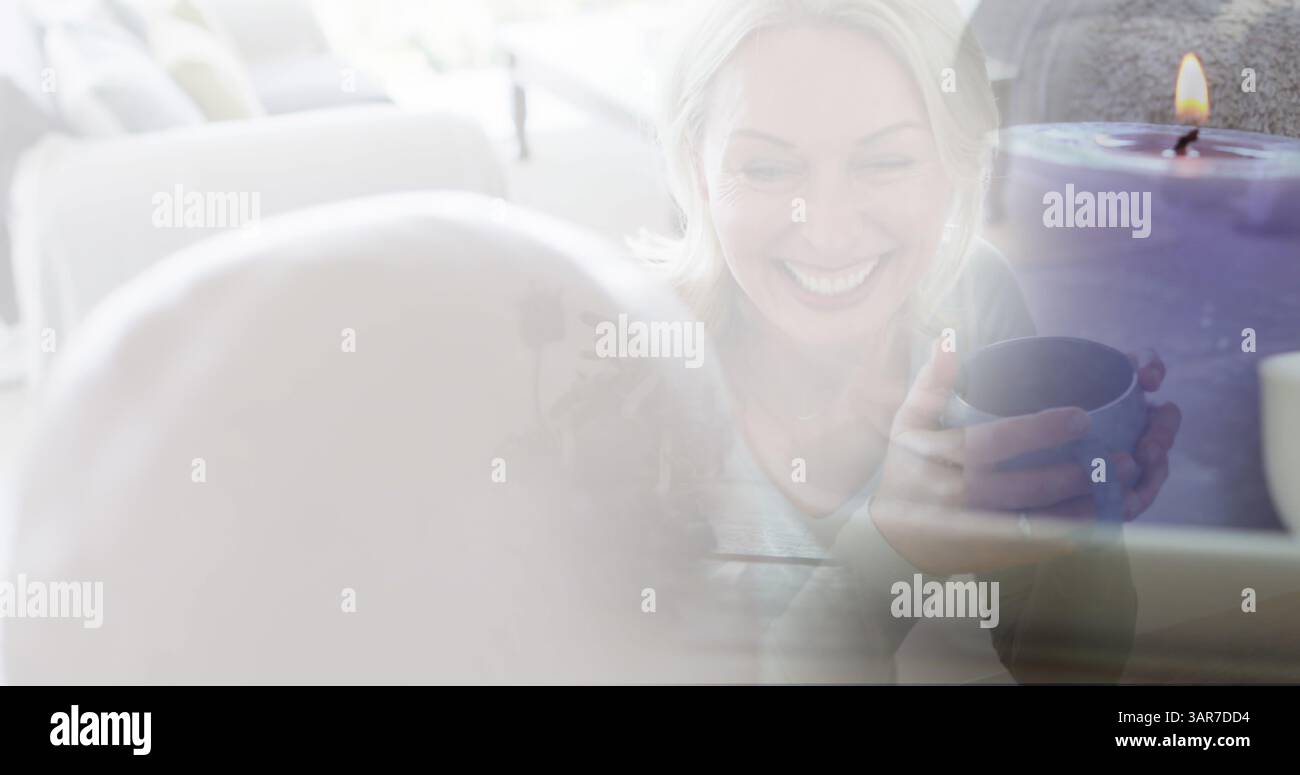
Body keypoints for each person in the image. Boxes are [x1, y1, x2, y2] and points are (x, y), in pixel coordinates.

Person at [633, 0, 1183, 681]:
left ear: (952, 165)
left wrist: (1086, 503)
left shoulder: (977, 296)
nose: (828, 231)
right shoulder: (630, 381)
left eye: (886, 161)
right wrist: (891, 545)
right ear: (698, 171)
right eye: (769, 169)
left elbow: (1063, 669)